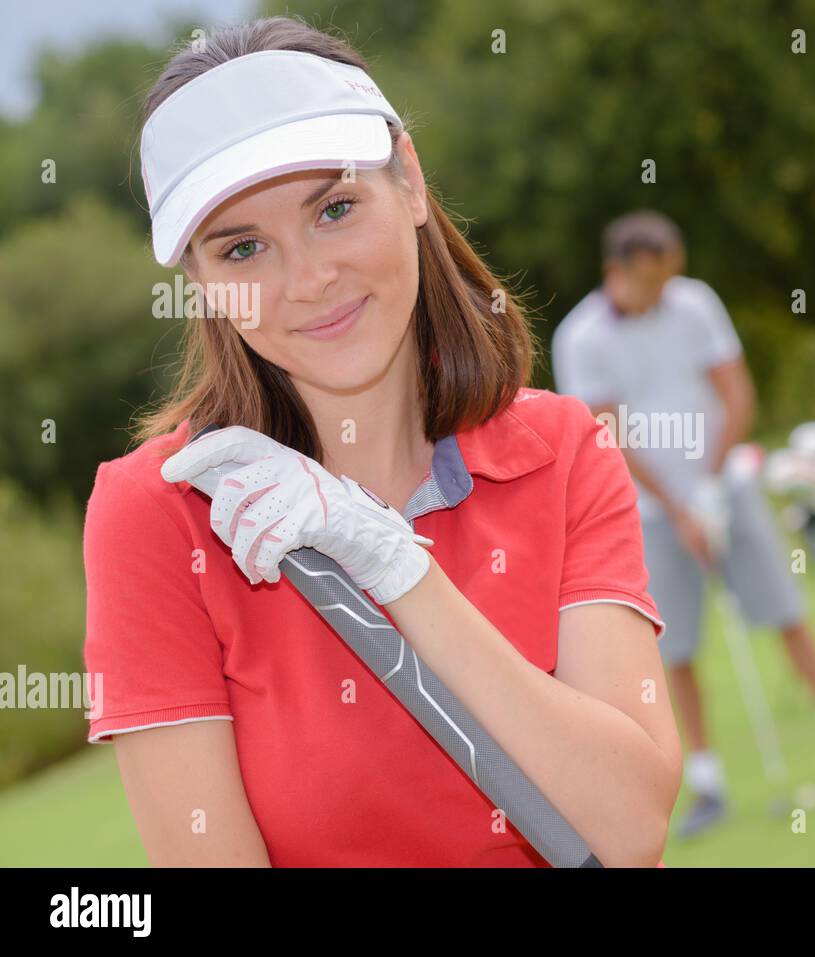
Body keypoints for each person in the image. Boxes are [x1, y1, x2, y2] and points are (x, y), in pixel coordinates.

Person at [82, 18, 681, 868]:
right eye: (242, 247)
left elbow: (626, 833)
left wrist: (403, 574)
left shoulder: (560, 447)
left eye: (334, 207)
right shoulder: (157, 514)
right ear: (201, 283)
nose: (308, 279)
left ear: (409, 181)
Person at [552, 211, 815, 839]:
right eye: (651, 281)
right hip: (647, 511)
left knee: (784, 610)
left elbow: (736, 393)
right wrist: (681, 508)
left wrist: (710, 486)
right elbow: (608, 434)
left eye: (670, 276)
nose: (663, 293)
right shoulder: (581, 338)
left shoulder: (693, 303)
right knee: (673, 647)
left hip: (727, 485)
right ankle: (705, 782)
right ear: (616, 273)